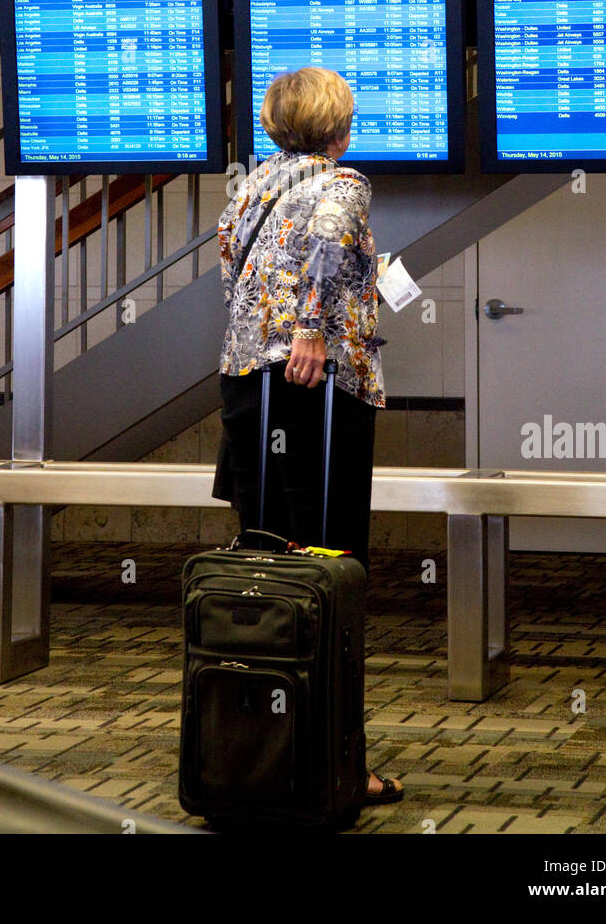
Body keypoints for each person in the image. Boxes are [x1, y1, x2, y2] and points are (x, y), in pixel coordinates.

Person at [214, 66, 403, 807]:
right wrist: (313, 333)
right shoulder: (344, 183)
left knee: (265, 571)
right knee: (329, 575)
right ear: (340, 126)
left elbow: (234, 270)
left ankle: (257, 753)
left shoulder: (252, 184)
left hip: (245, 386)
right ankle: (332, 768)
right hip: (311, 388)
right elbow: (325, 254)